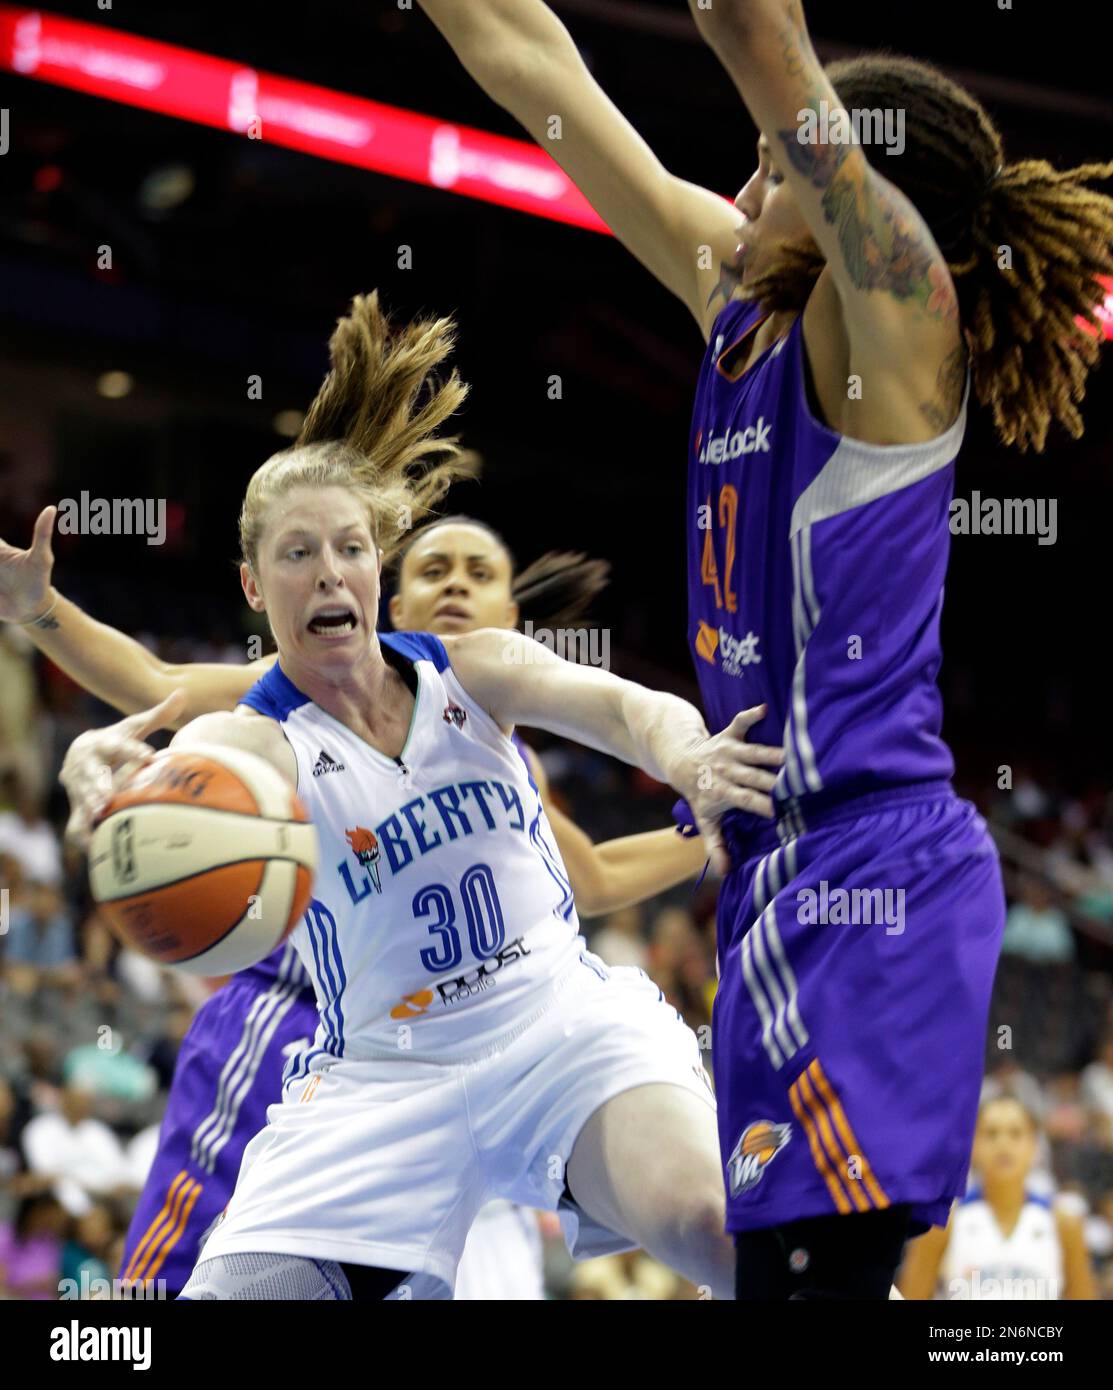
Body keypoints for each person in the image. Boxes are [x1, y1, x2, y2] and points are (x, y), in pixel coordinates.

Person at [415, 0, 1113, 1297]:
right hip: (775, 883)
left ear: (857, 191)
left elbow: (749, 25)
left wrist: (802, 113)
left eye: (768, 160)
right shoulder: (736, 300)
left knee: (803, 1278)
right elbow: (536, 68)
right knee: (781, 1276)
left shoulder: (901, 325)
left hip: (872, 867)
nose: (738, 183)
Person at [56, 292, 783, 1300]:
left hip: (557, 1028)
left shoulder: (473, 671)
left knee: (718, 1224)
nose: (329, 573)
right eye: (296, 553)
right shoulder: (260, 732)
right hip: (383, 1079)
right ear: (253, 588)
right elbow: (180, 750)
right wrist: (110, 769)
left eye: (350, 547)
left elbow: (625, 709)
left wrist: (694, 760)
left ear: (376, 569)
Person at [1, 502, 708, 1302]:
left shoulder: (497, 725)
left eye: (479, 575)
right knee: (171, 1287)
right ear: (393, 601)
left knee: (696, 1223)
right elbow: (160, 691)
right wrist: (45, 620)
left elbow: (595, 877)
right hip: (319, 1024)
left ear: (511, 615)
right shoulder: (299, 697)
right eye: (434, 569)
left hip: (530, 1035)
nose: (454, 587)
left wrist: (713, 812)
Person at [898, 1096, 1096, 1299]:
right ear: (972, 1145)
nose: (1003, 1143)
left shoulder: (1064, 1223)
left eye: (1015, 1133)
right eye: (991, 1134)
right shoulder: (943, 1223)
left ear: (1034, 1146)